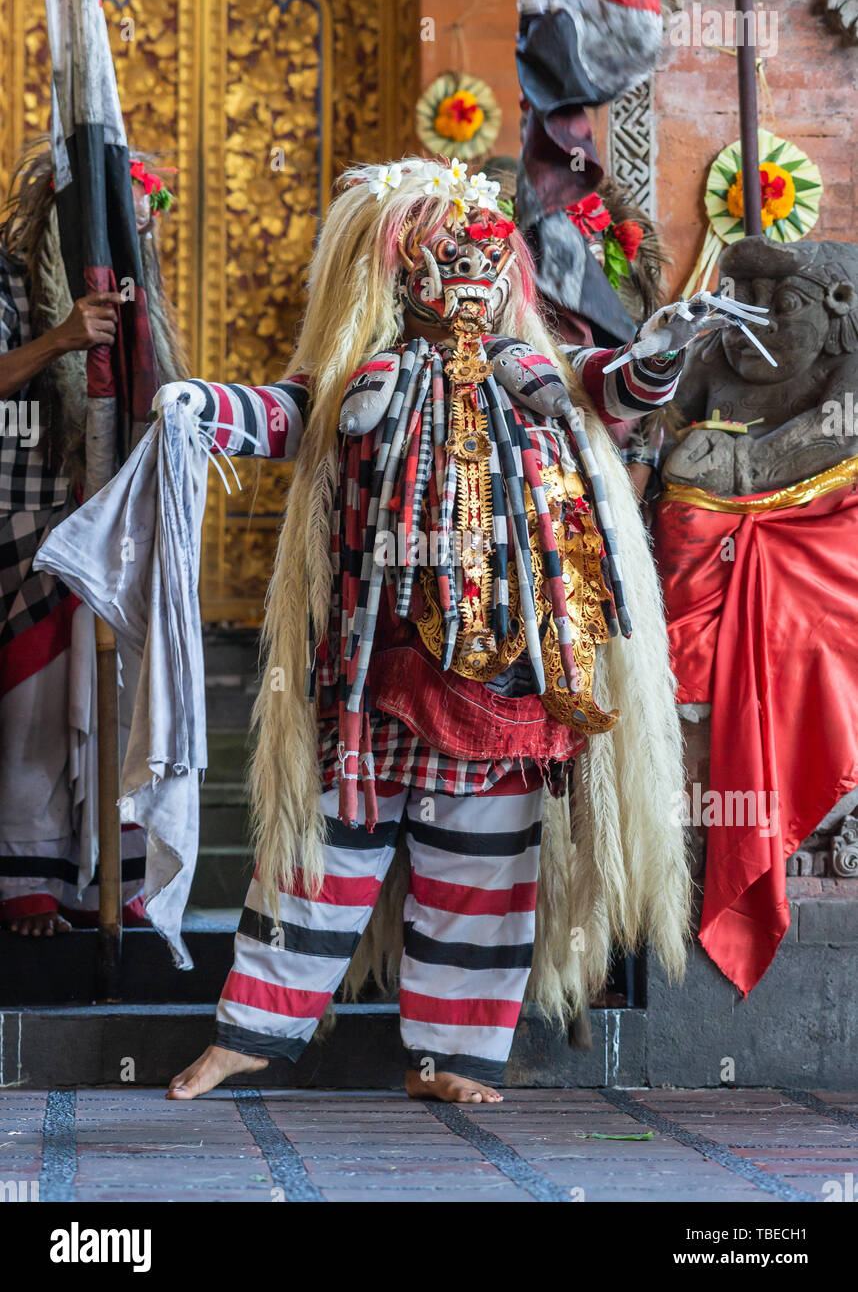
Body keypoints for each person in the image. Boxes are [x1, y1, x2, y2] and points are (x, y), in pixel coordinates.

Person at [156, 156, 731, 1103]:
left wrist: (660, 350)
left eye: (480, 254)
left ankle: (447, 1059)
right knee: (322, 849)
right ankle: (250, 1034)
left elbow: (614, 392)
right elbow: (288, 410)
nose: (465, 270)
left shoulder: (533, 369)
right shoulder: (358, 375)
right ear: (391, 271)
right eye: (437, 253)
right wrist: (201, 409)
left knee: (485, 867)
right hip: (371, 662)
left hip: (507, 664)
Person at [0, 143, 183, 936]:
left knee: (115, 708)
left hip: (111, 534)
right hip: (26, 531)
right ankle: (26, 886)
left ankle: (111, 879)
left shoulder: (136, 296)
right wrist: (62, 340)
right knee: (34, 714)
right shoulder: (7, 278)